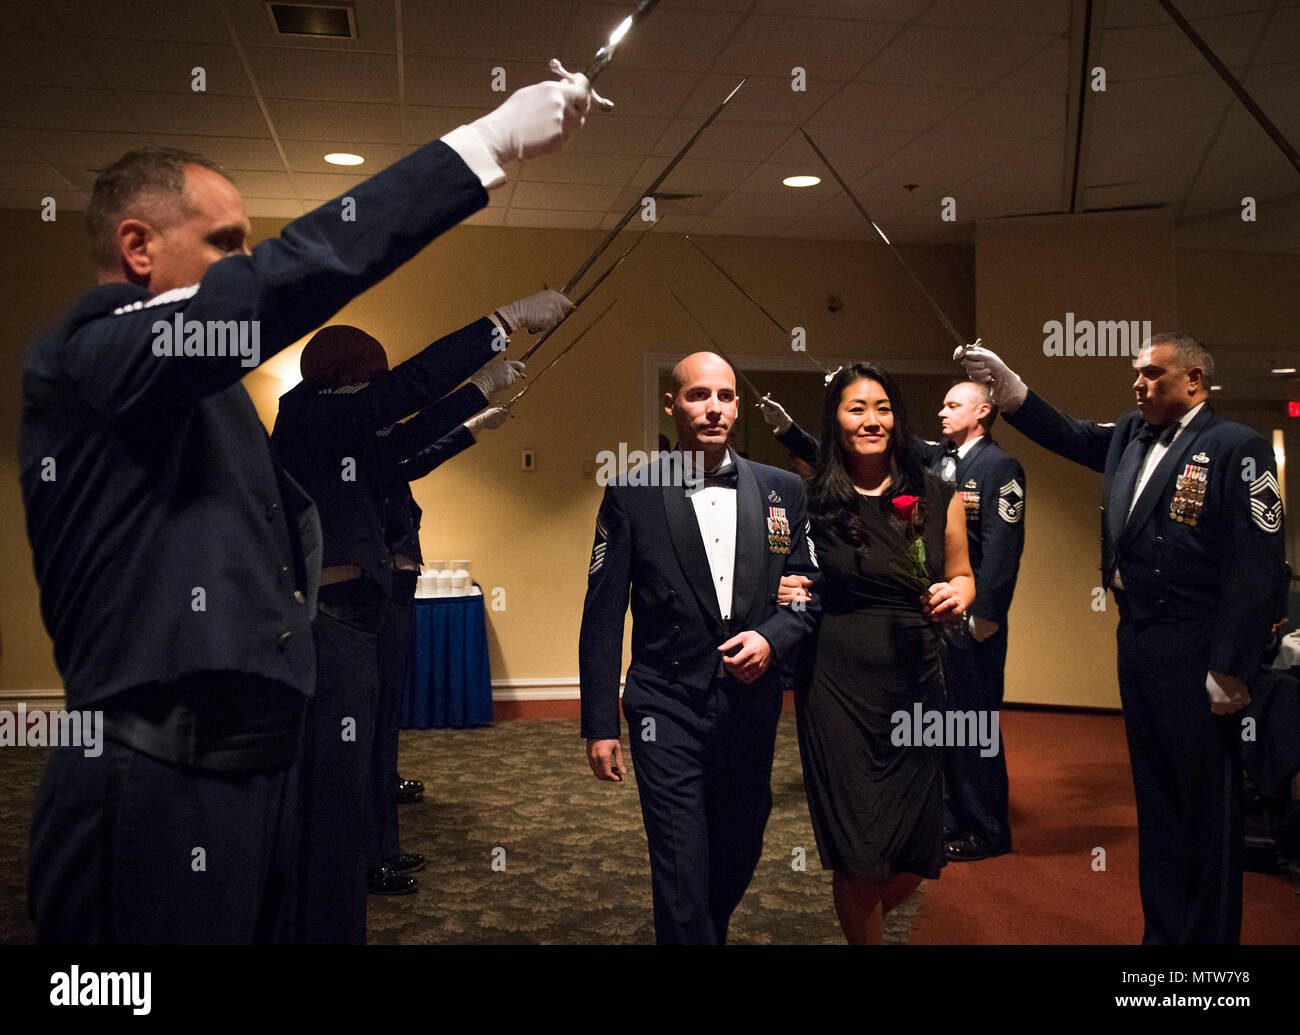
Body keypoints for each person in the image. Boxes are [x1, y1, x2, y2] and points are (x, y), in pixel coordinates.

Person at [20, 72, 592, 944]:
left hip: (249, 757)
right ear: (138, 247)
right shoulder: (92, 353)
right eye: (225, 244)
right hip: (152, 773)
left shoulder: (206, 395)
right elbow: (289, 289)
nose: (246, 266)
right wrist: (483, 148)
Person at [959, 334, 1286, 944]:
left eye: (1153, 374)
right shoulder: (1130, 436)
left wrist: (1232, 664)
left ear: (1193, 381)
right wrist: (1013, 394)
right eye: (1136, 372)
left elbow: (1258, 563)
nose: (1138, 383)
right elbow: (1068, 435)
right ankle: (1163, 937)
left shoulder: (1233, 445)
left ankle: (1206, 955)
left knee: (1203, 807)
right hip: (1136, 637)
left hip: (1199, 646)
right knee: (1158, 802)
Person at [272, 314, 558, 937]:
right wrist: (500, 325)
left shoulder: (340, 424)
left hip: (357, 612)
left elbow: (407, 441)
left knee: (355, 774)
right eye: (372, 375)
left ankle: (341, 914)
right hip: (331, 620)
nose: (381, 385)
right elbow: (406, 393)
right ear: (340, 376)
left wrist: (477, 401)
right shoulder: (309, 412)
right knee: (336, 792)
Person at [578, 352, 820, 944]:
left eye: (725, 396)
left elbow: (808, 592)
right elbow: (604, 613)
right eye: (698, 395)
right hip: (665, 703)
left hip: (751, 702)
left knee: (740, 843)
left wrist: (773, 635)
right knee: (682, 863)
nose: (714, 407)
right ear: (672, 404)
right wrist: (598, 722)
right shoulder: (632, 492)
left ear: (737, 405)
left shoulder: (784, 489)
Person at [796, 363, 974, 944]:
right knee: (856, 848)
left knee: (912, 852)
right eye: (855, 409)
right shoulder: (810, 498)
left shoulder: (936, 490)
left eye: (882, 408)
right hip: (836, 684)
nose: (871, 421)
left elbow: (964, 575)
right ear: (835, 420)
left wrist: (957, 594)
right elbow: (785, 571)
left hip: (917, 679)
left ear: (896, 418)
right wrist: (782, 585)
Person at [926, 382, 1025, 862]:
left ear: (983, 411)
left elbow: (1003, 546)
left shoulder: (998, 466)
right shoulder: (939, 459)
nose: (941, 412)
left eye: (952, 405)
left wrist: (987, 613)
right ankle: (951, 818)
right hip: (941, 613)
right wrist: (794, 434)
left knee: (974, 724)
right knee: (945, 723)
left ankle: (987, 830)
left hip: (973, 618)